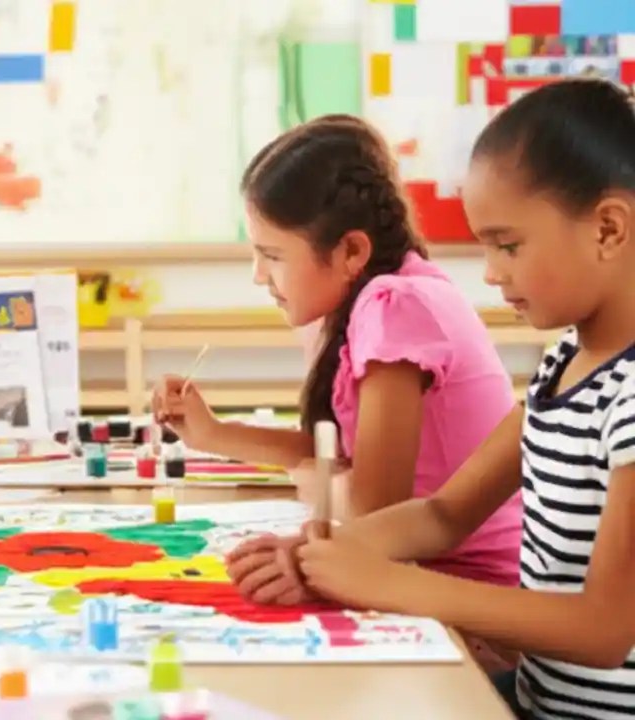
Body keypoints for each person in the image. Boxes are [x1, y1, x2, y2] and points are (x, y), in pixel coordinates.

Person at [238, 80, 635, 720]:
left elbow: (605, 631)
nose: (491, 271)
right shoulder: (565, 365)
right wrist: (329, 555)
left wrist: (398, 586)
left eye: (508, 245)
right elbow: (446, 513)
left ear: (609, 229)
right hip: (533, 701)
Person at [153, 115, 522, 587]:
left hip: (465, 596)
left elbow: (374, 507)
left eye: (273, 255)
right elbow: (342, 453)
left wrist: (321, 482)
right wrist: (213, 434)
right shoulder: (367, 304)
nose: (258, 275)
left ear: (352, 251)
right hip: (417, 576)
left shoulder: (395, 306)